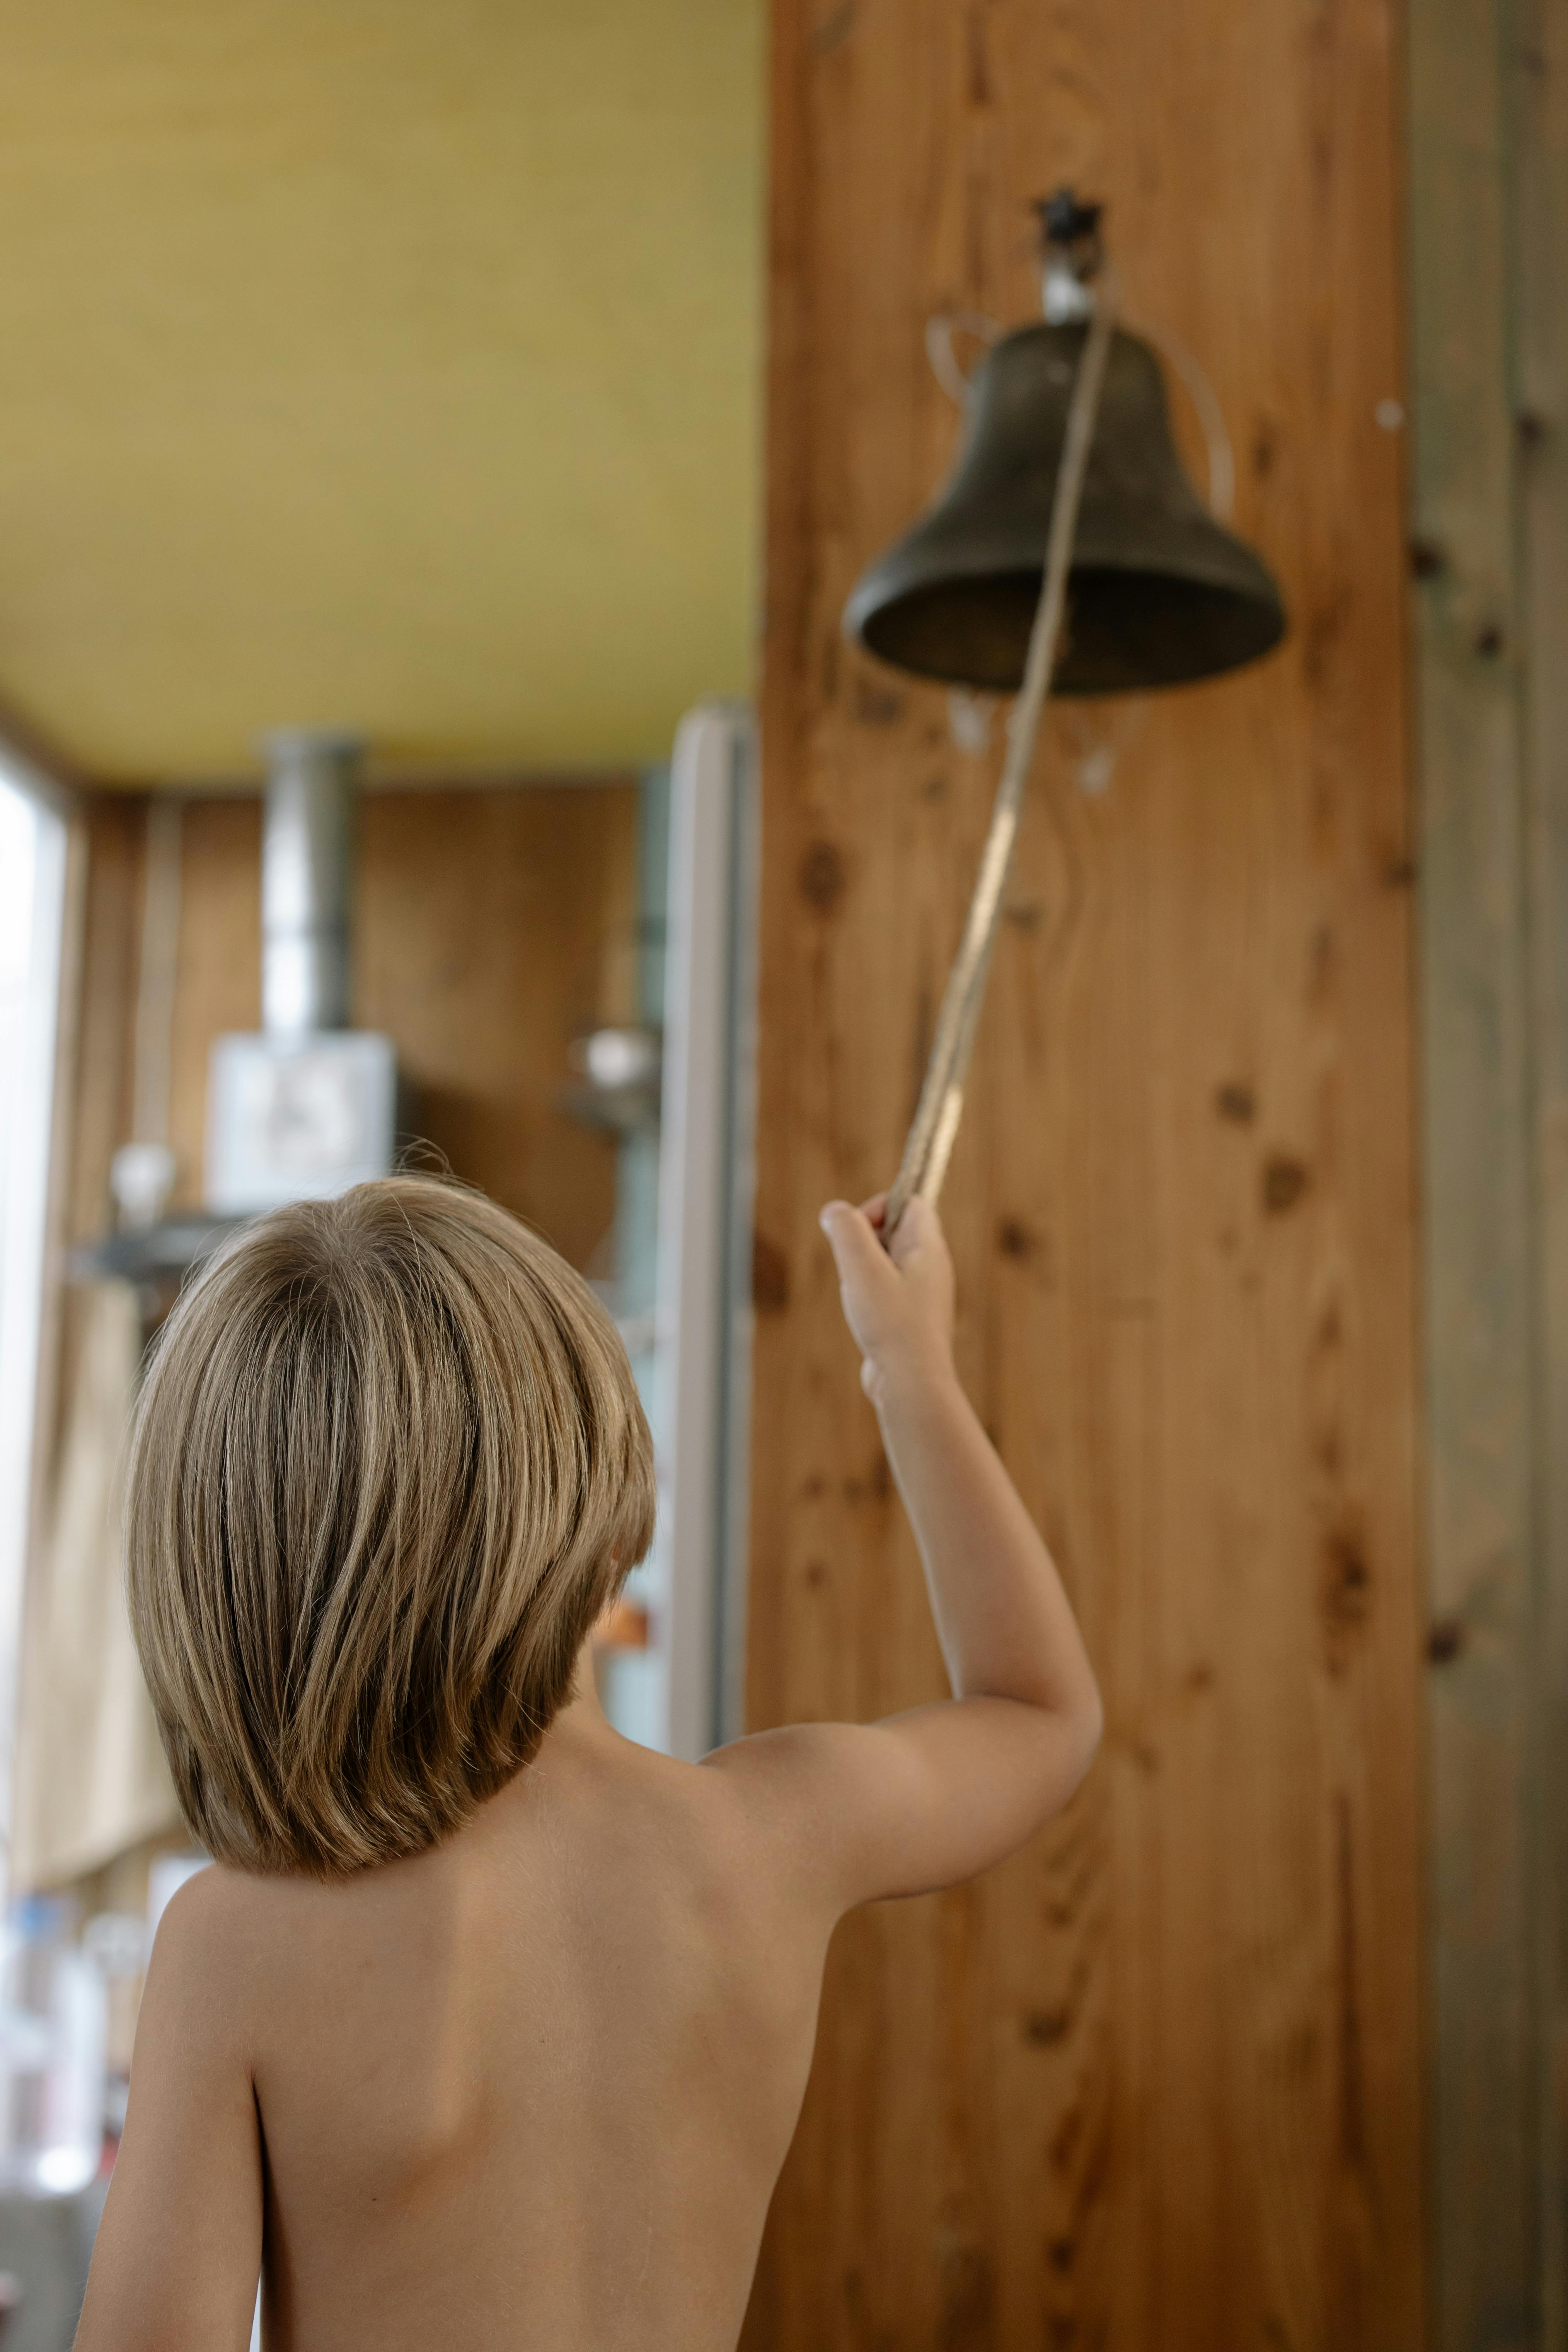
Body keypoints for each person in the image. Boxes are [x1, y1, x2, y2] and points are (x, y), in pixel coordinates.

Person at [73, 1175, 1100, 2352]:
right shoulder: (773, 1835)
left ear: (231, 1587)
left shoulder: (239, 1944)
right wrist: (910, 1369)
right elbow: (1037, 1712)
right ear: (611, 1514)